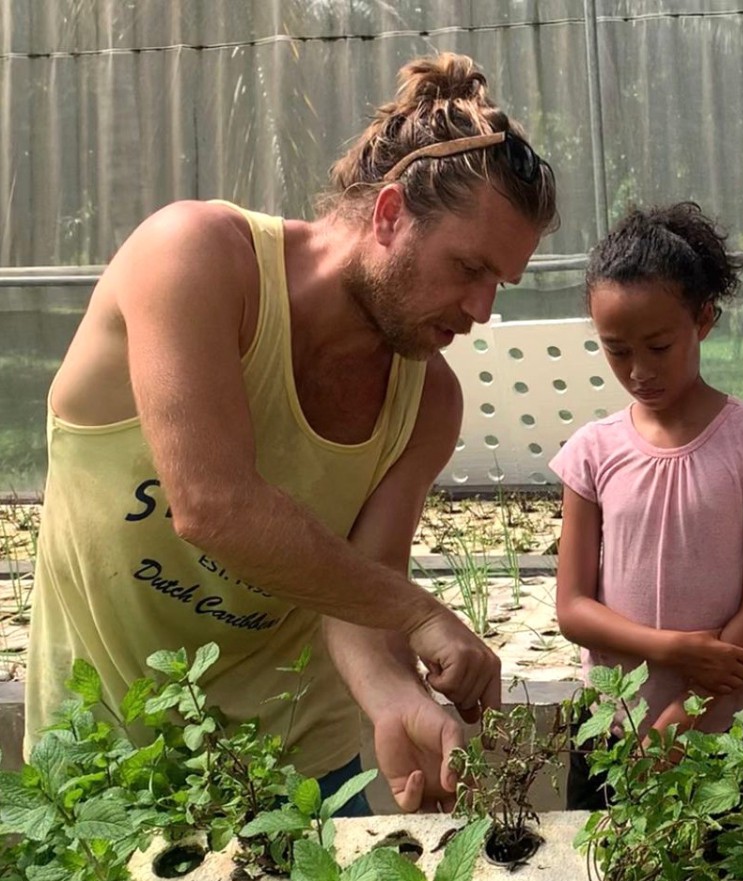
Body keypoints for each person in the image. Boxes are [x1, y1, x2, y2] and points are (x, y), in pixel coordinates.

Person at [24, 53, 558, 815]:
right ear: (389, 214)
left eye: (498, 284)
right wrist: (420, 612)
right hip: (106, 753)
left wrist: (395, 700)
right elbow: (212, 505)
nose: (480, 310)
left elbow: (354, 595)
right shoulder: (196, 257)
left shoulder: (427, 400)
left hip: (302, 766)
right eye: (468, 268)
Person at [551, 202, 743, 810]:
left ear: (704, 319)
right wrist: (668, 649)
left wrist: (677, 722)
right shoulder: (591, 451)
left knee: (729, 873)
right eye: (617, 351)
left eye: (659, 346)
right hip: (610, 732)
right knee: (599, 873)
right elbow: (572, 608)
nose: (639, 371)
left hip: (725, 735)